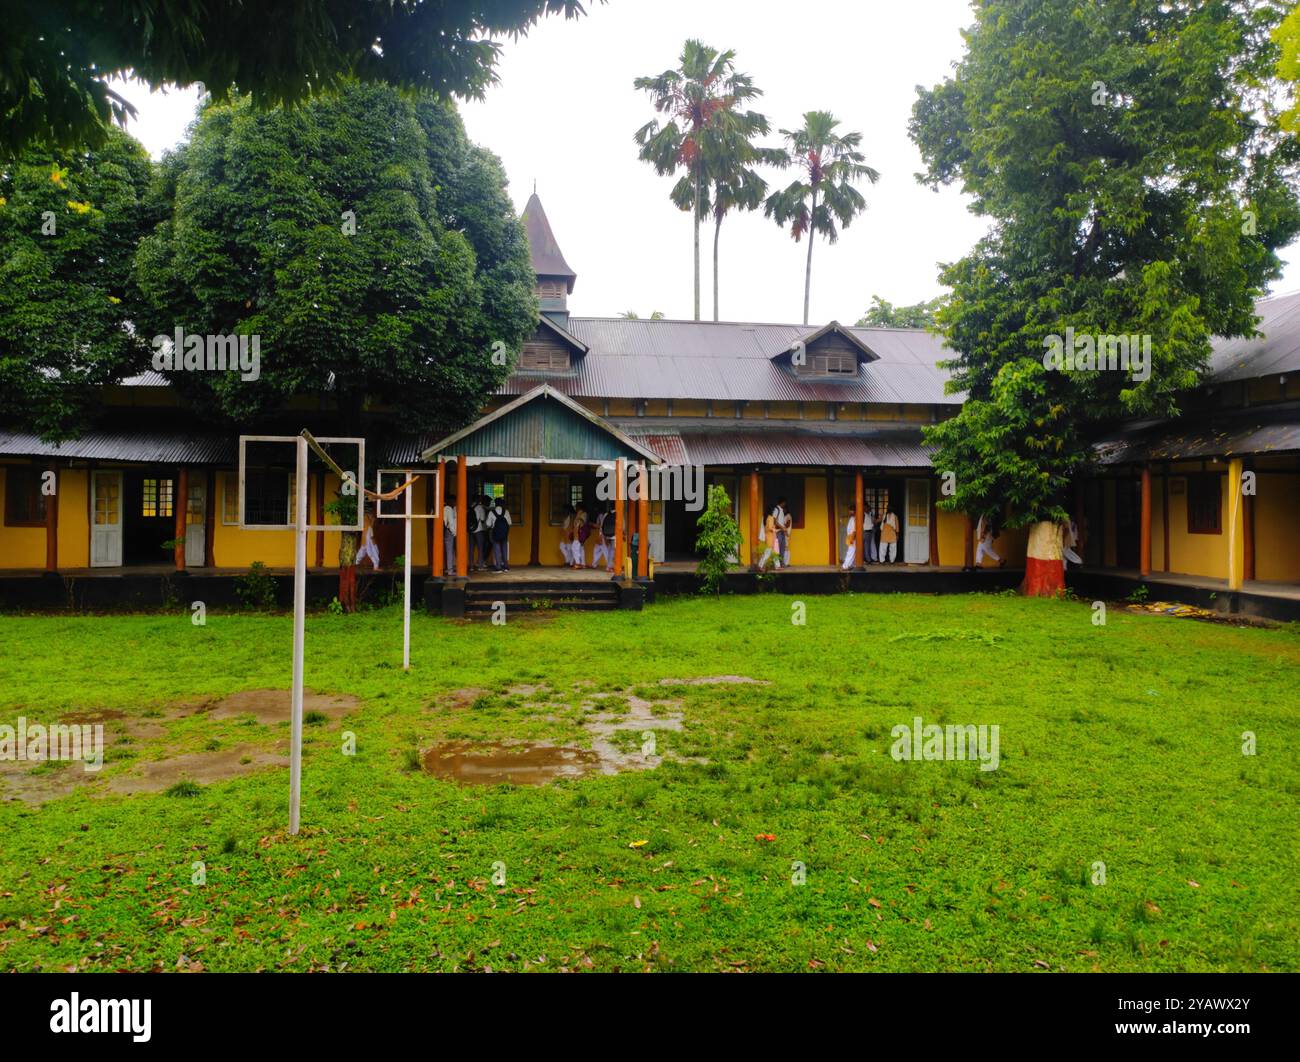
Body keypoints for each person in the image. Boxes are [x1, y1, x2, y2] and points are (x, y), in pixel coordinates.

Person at [487, 496, 512, 572]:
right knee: (504, 548)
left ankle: (498, 566)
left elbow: (488, 524)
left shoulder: (492, 512)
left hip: (495, 533)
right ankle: (506, 566)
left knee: (497, 549)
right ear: (501, 503)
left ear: (495, 504)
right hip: (504, 533)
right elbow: (510, 523)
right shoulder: (506, 511)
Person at [758, 504, 782, 570]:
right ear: (771, 511)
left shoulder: (765, 518)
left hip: (767, 536)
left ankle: (777, 566)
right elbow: (771, 528)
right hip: (771, 537)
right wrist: (778, 529)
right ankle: (760, 565)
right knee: (767, 552)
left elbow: (767, 528)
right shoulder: (771, 518)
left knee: (774, 552)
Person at [597, 505, 618, 573]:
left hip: (607, 535)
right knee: (613, 551)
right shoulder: (618, 513)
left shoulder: (606, 514)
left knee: (610, 550)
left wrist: (601, 534)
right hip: (615, 535)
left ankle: (610, 566)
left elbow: (602, 525)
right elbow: (622, 525)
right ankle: (610, 566)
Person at [442, 494, 457, 574]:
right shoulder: (449, 509)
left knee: (446, 550)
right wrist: (454, 533)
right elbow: (451, 523)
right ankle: (450, 570)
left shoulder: (442, 508)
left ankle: (446, 568)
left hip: (443, 531)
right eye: (454, 501)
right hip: (449, 531)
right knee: (449, 550)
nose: (455, 503)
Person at [573, 503, 590, 568]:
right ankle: (582, 563)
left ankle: (578, 563)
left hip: (579, 534)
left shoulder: (582, 515)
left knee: (575, 548)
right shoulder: (583, 514)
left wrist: (577, 516)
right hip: (580, 534)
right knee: (580, 549)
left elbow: (578, 524)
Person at [560, 504, 577, 568]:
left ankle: (570, 562)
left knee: (570, 549)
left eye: (564, 509)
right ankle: (569, 561)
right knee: (562, 547)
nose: (563, 511)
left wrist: (571, 532)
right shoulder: (566, 515)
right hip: (565, 534)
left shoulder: (572, 515)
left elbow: (572, 525)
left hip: (569, 534)